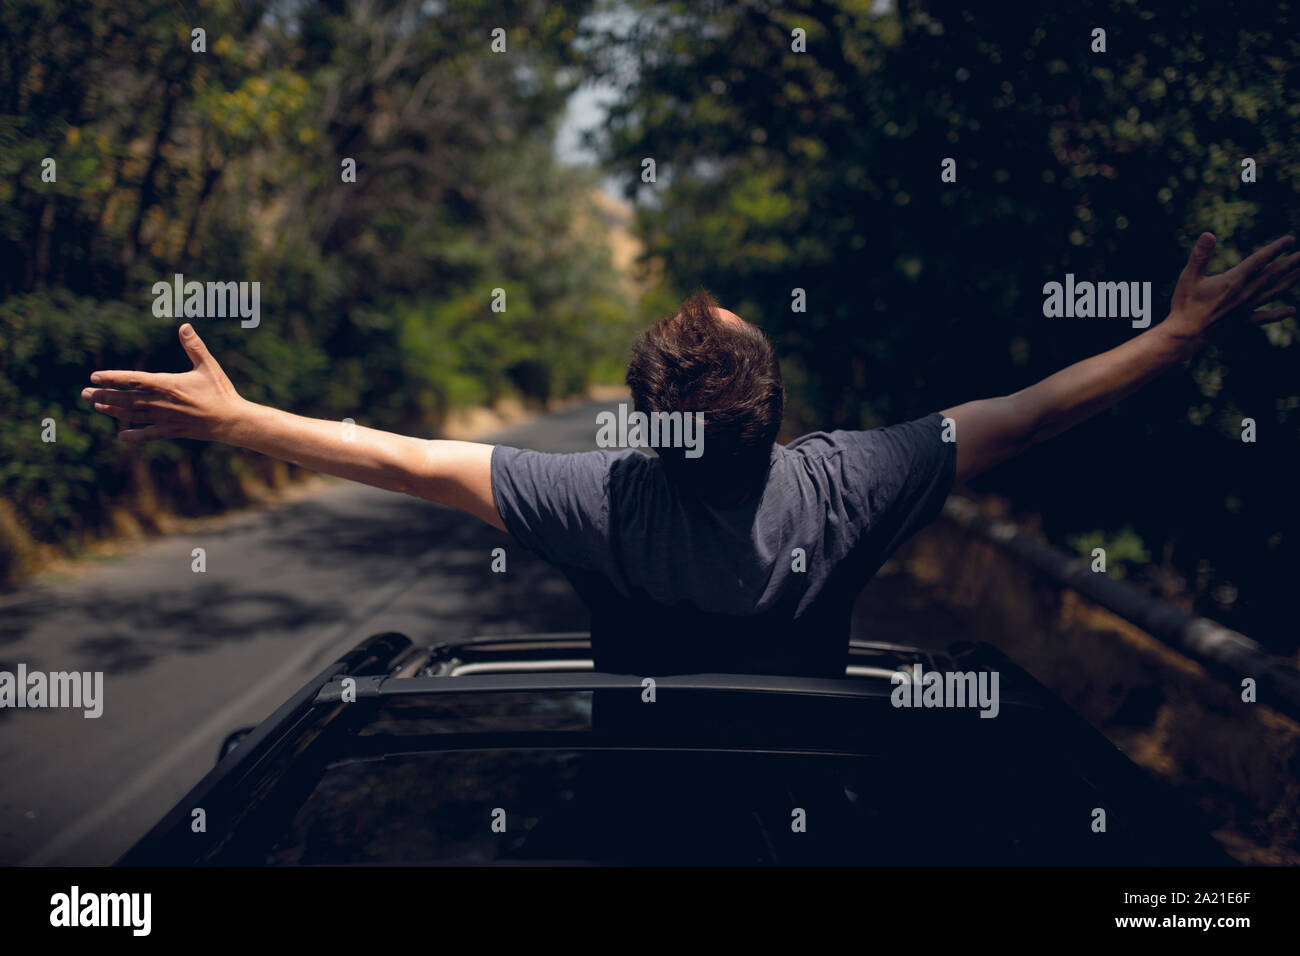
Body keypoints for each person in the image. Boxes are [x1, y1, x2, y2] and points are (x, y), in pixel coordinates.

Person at [82, 232, 1298, 678]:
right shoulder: (849, 479)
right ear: (780, 414)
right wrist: (1180, 335)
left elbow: (399, 458)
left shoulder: (593, 496)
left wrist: (237, 420)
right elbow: (1032, 411)